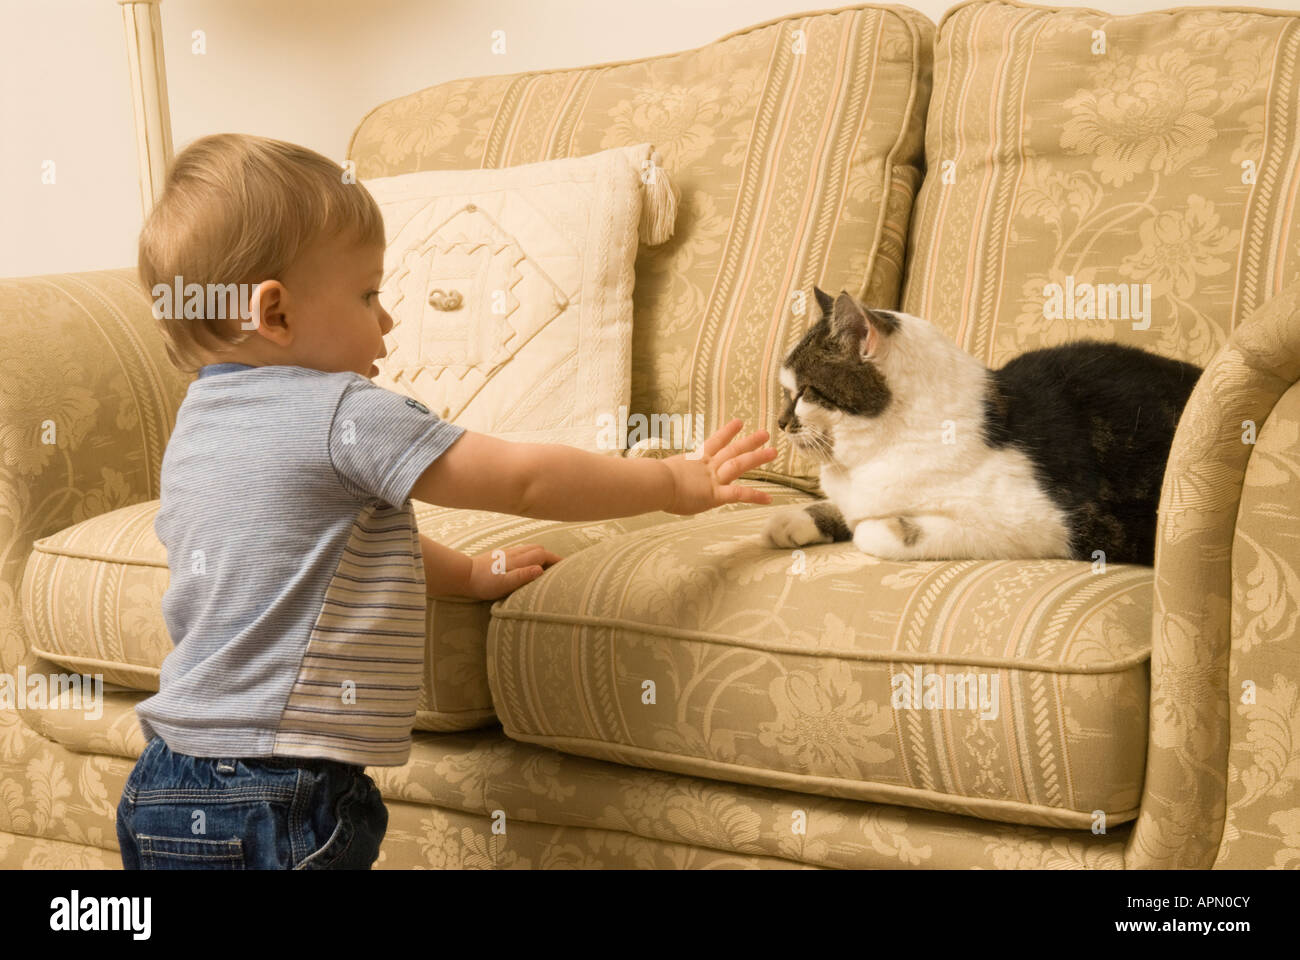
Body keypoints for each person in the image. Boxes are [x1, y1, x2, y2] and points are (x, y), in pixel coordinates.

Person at [115, 133, 775, 869]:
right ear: (276, 313)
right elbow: (524, 478)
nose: (388, 322)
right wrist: (674, 484)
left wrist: (464, 575)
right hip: (278, 792)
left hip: (163, 783)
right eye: (369, 295)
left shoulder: (198, 427)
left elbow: (318, 552)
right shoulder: (343, 410)